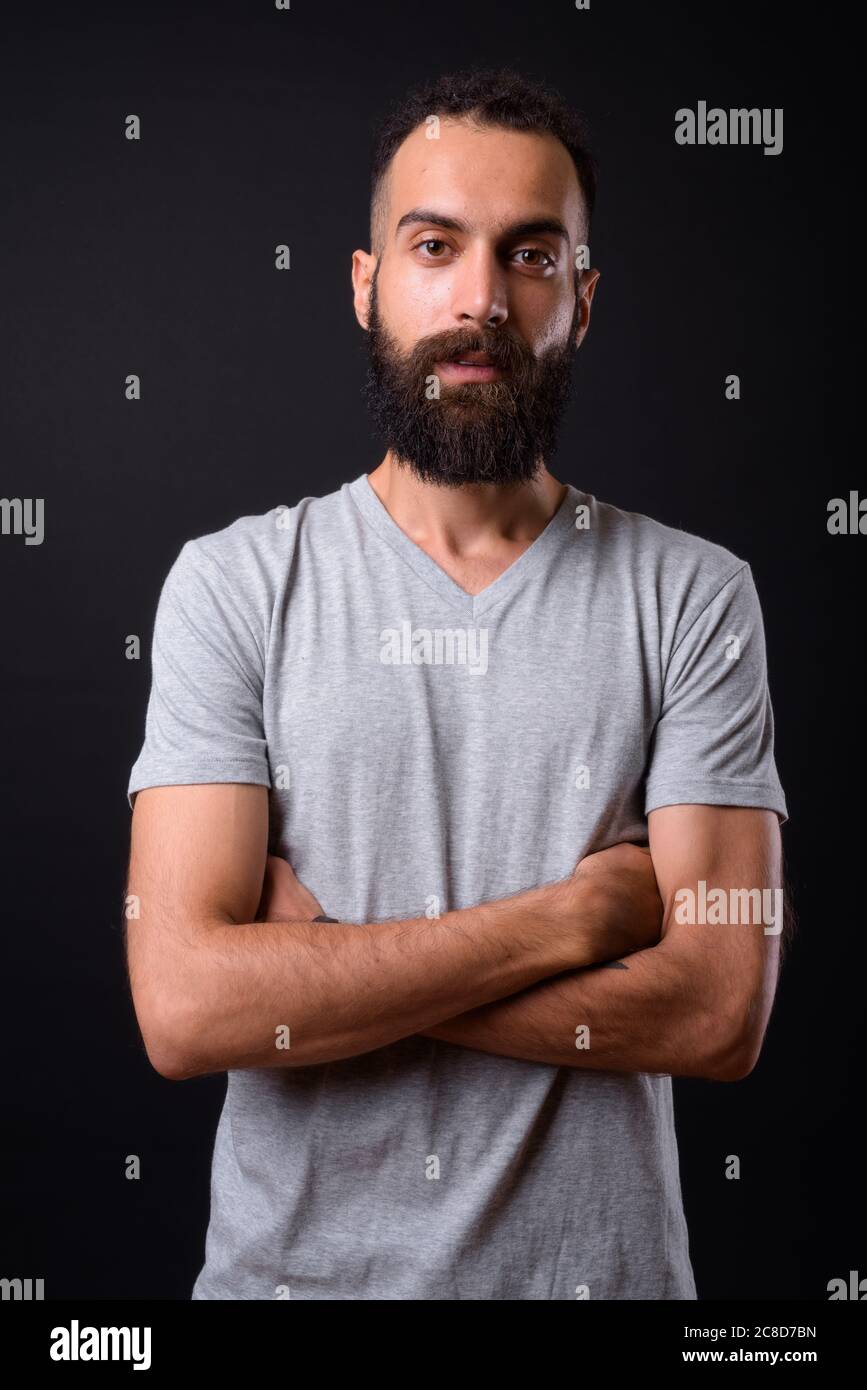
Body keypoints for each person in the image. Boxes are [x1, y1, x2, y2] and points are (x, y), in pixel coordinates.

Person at [125, 67, 788, 1300]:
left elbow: (716, 1012)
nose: (482, 298)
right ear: (367, 285)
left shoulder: (697, 597)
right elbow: (183, 1004)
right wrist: (566, 925)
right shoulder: (232, 585)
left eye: (531, 254)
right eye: (435, 245)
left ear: (582, 302)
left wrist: (324, 960)